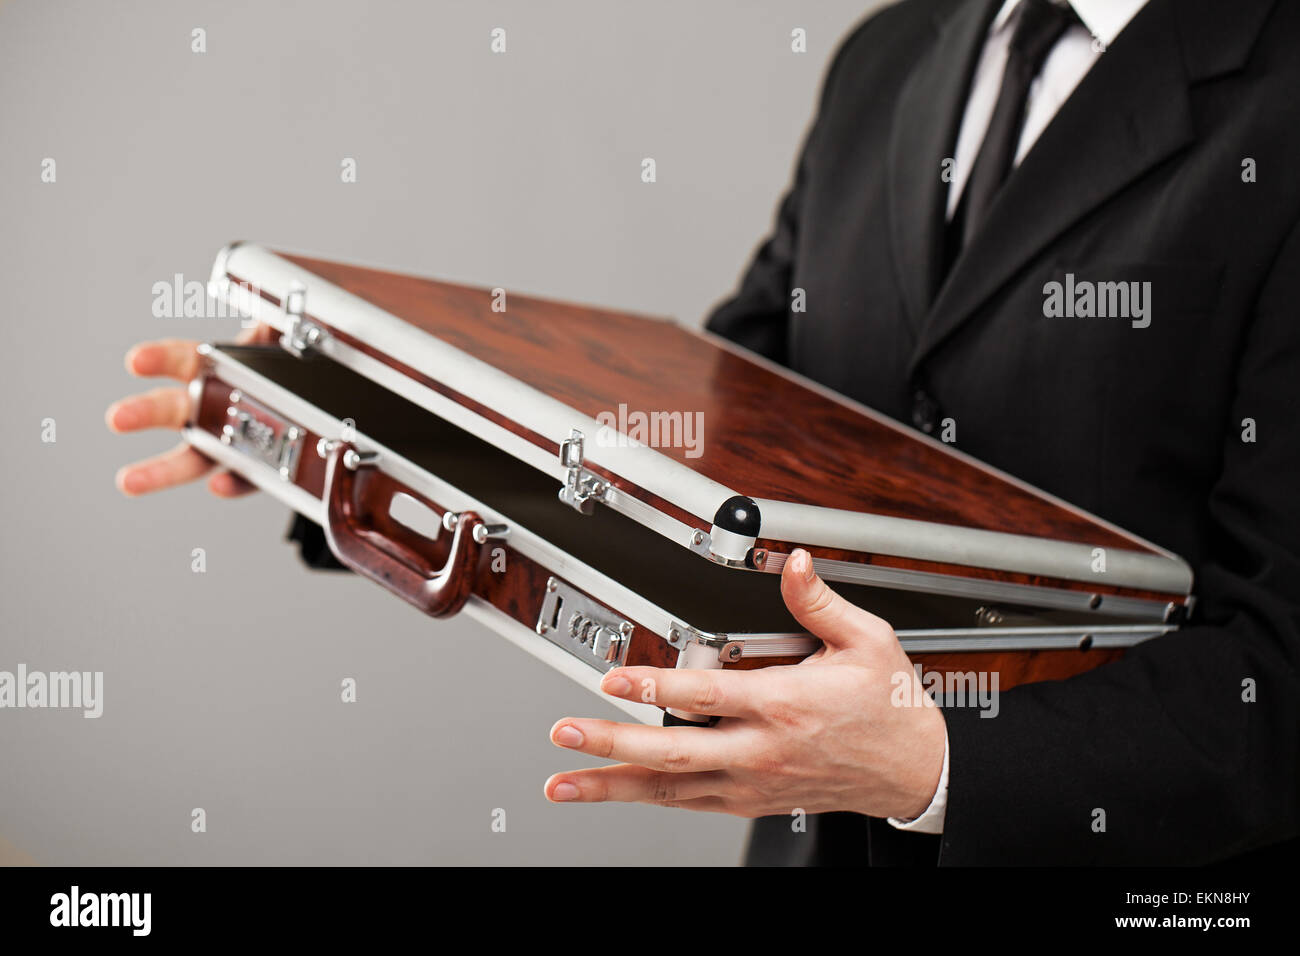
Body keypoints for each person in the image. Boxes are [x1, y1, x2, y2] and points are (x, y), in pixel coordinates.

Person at [110, 0, 1300, 866]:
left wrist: (941, 766)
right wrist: (331, 442)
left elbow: (1281, 669)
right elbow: (724, 435)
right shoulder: (886, 57)